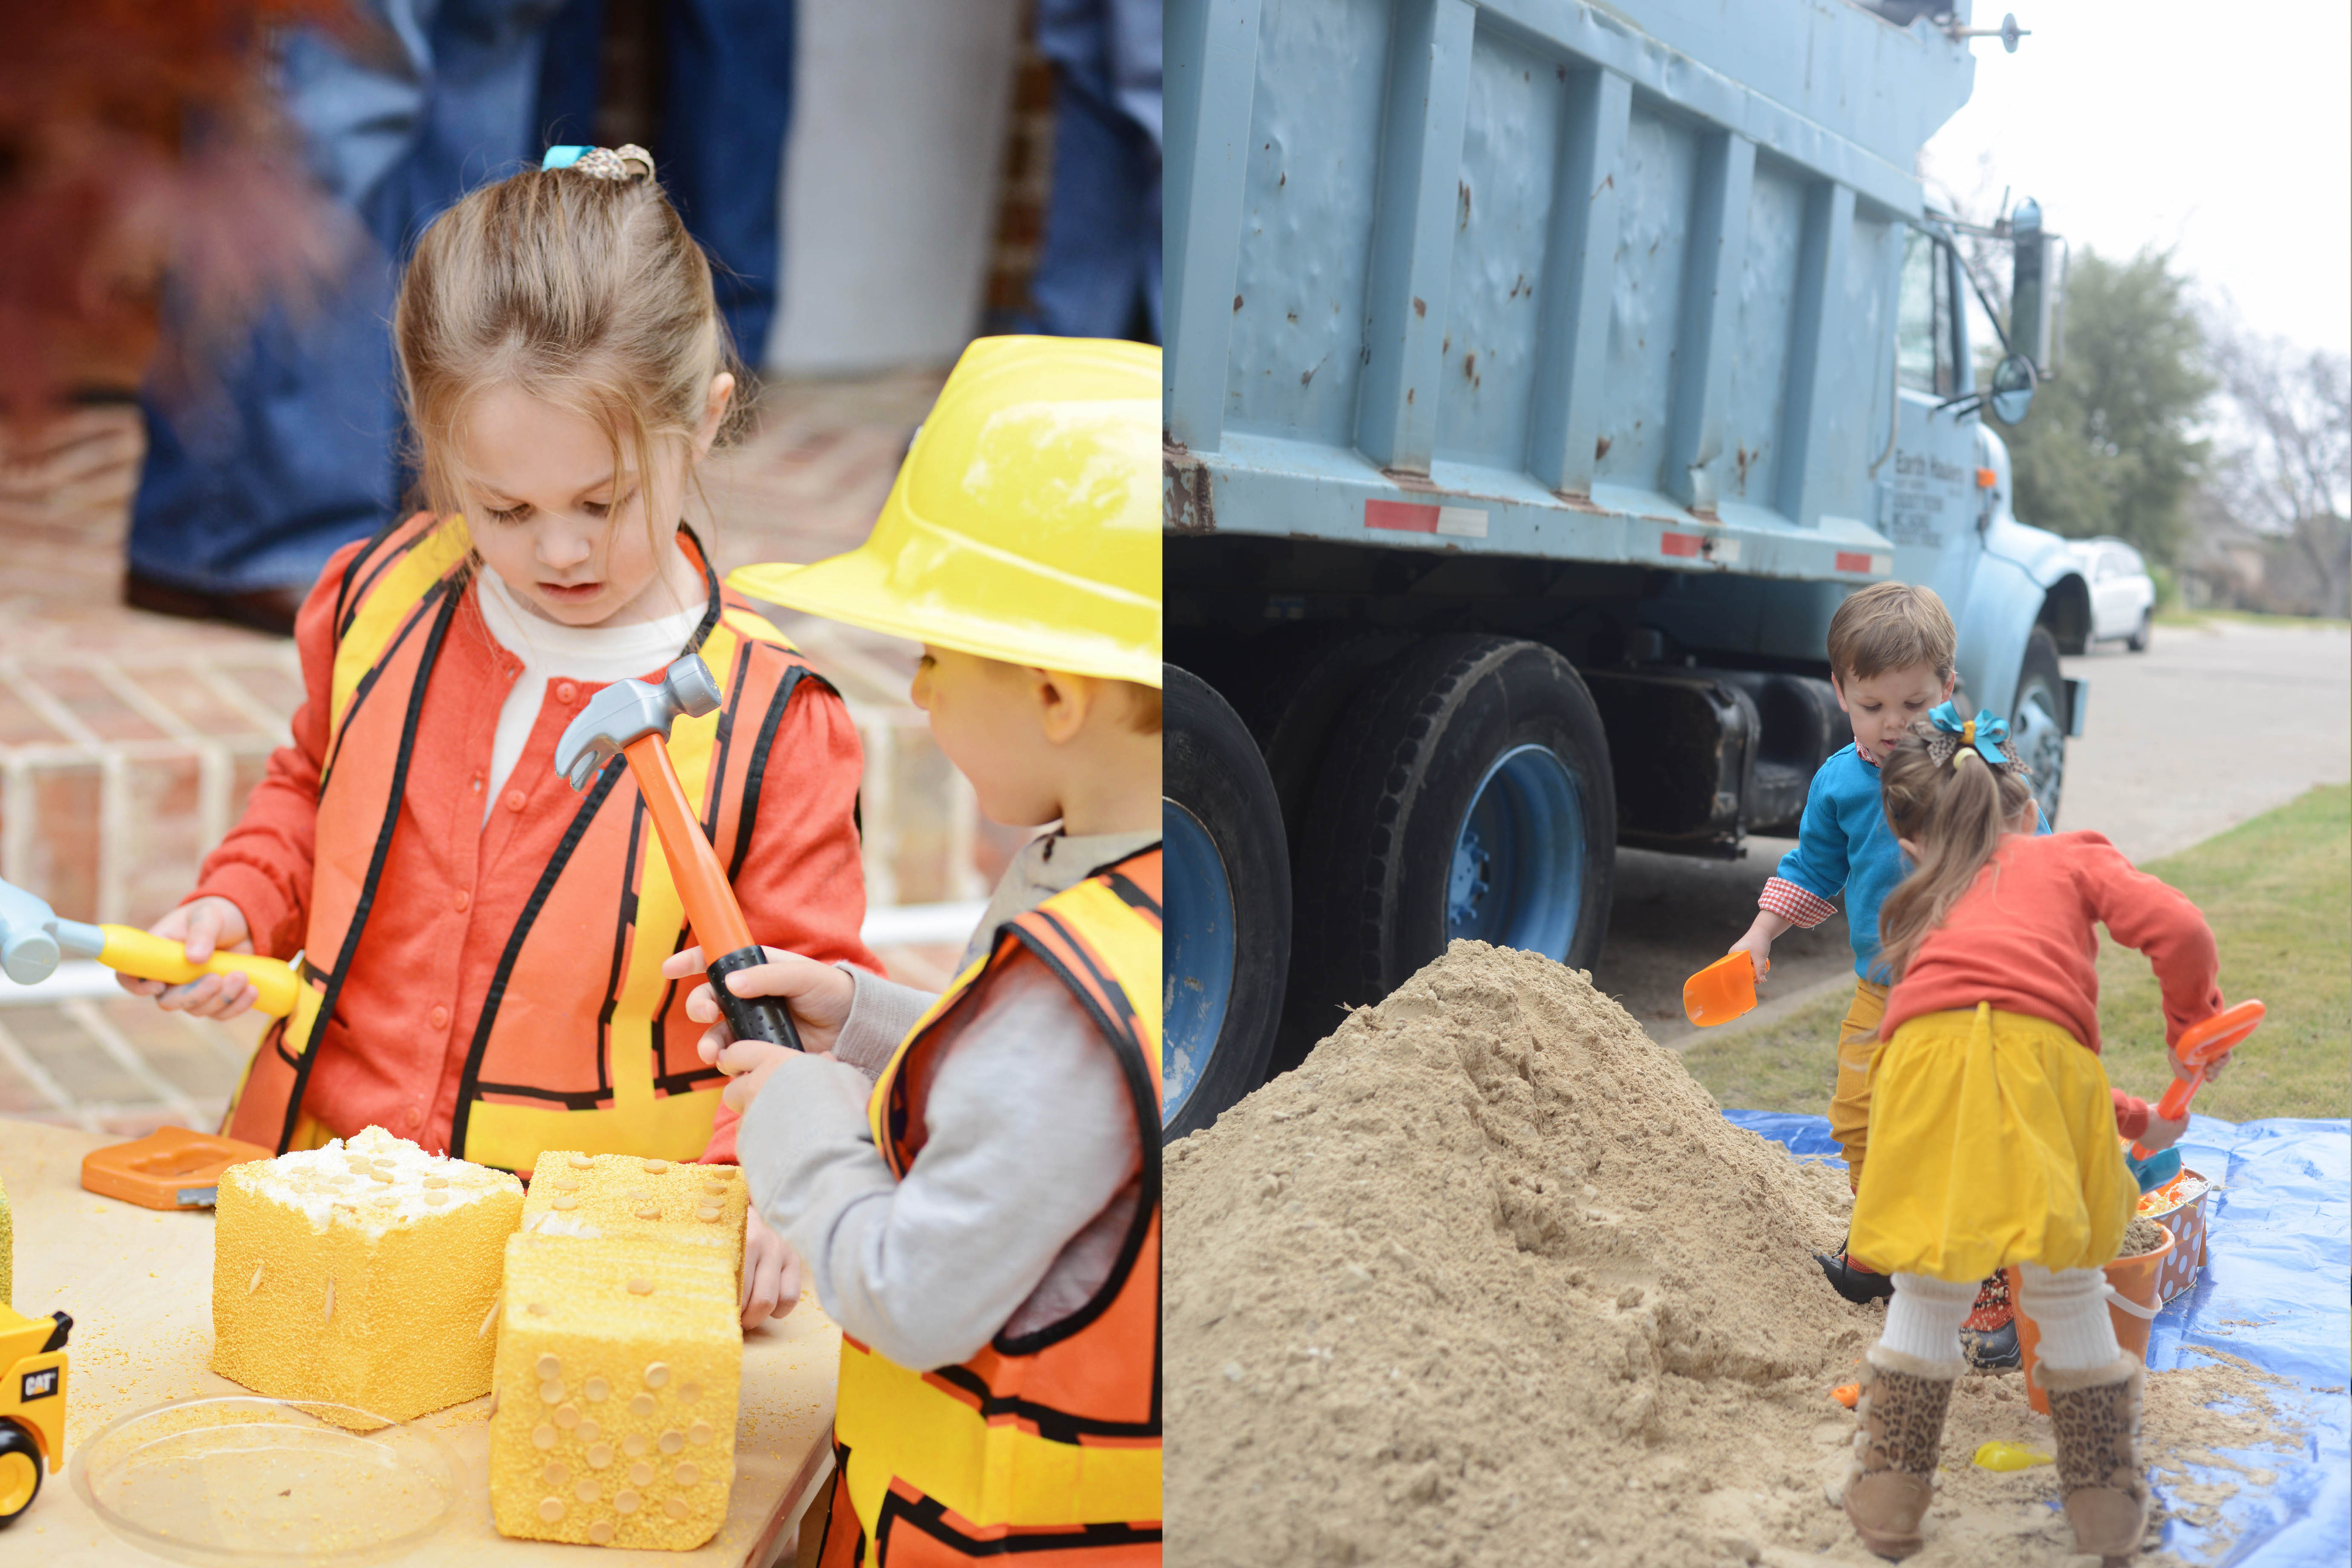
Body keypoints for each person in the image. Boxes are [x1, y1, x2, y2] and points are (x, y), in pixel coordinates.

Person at [119, 145, 879, 1329]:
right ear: (435, 449)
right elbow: (309, 795)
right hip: (326, 1197)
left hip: (585, 1269)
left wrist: (762, 1193)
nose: (560, 552)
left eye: (603, 501)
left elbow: (793, 1020)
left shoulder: (778, 726)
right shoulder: (373, 599)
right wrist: (239, 900)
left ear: (705, 422)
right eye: (507, 509)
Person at [658, 336, 1162, 1564]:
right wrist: (856, 1015)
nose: (920, 692)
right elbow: (1017, 1089)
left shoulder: (1073, 999)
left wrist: (799, 1112)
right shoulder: (1124, 866)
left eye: (937, 654)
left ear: (1054, 696)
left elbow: (910, 1292)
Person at [1838, 703, 2217, 1562]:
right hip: (2047, 1069)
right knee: (2066, 1283)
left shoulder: (1925, 901)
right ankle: (2107, 1511)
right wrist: (2193, 1024)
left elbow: (1986, 1049)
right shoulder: (2071, 855)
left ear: (1914, 845)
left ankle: (1890, 1500)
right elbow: (2047, 1055)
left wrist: (2137, 1118)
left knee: (1929, 1282)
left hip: (1918, 1069)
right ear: (2030, 807)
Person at [1724, 581, 2047, 1359]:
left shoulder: (1970, 760)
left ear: (1948, 686)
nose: (1893, 723)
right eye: (1871, 707)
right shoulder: (1840, 780)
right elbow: (1813, 869)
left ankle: (1994, 1282)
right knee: (1861, 1115)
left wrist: (2013, 813)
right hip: (1882, 986)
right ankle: (1886, 1246)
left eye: (1913, 703)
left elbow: (2034, 846)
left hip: (1970, 989)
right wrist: (1759, 935)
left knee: (1972, 1131)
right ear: (1840, 691)